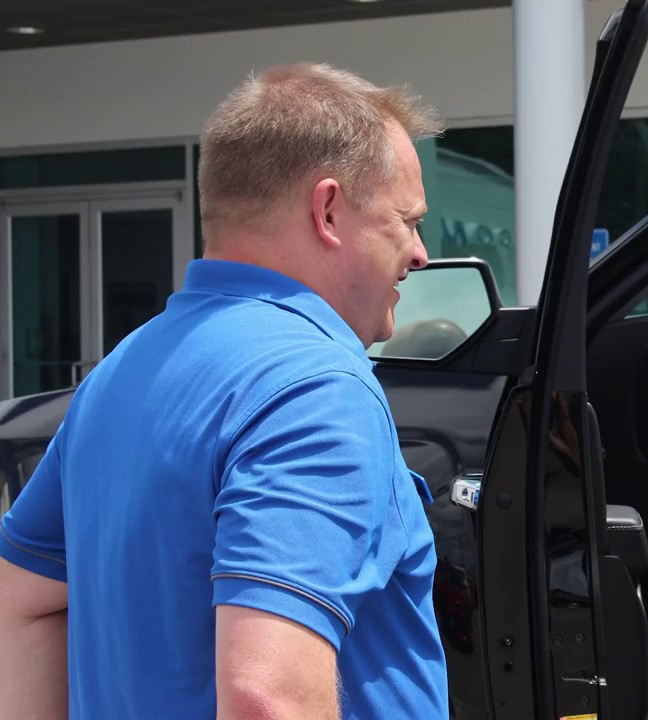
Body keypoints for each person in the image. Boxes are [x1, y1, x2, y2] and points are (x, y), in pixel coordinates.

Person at [0, 63, 449, 719]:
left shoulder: (118, 373)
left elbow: (22, 605)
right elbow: (267, 697)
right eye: (406, 220)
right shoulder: (315, 387)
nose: (419, 252)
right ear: (327, 210)